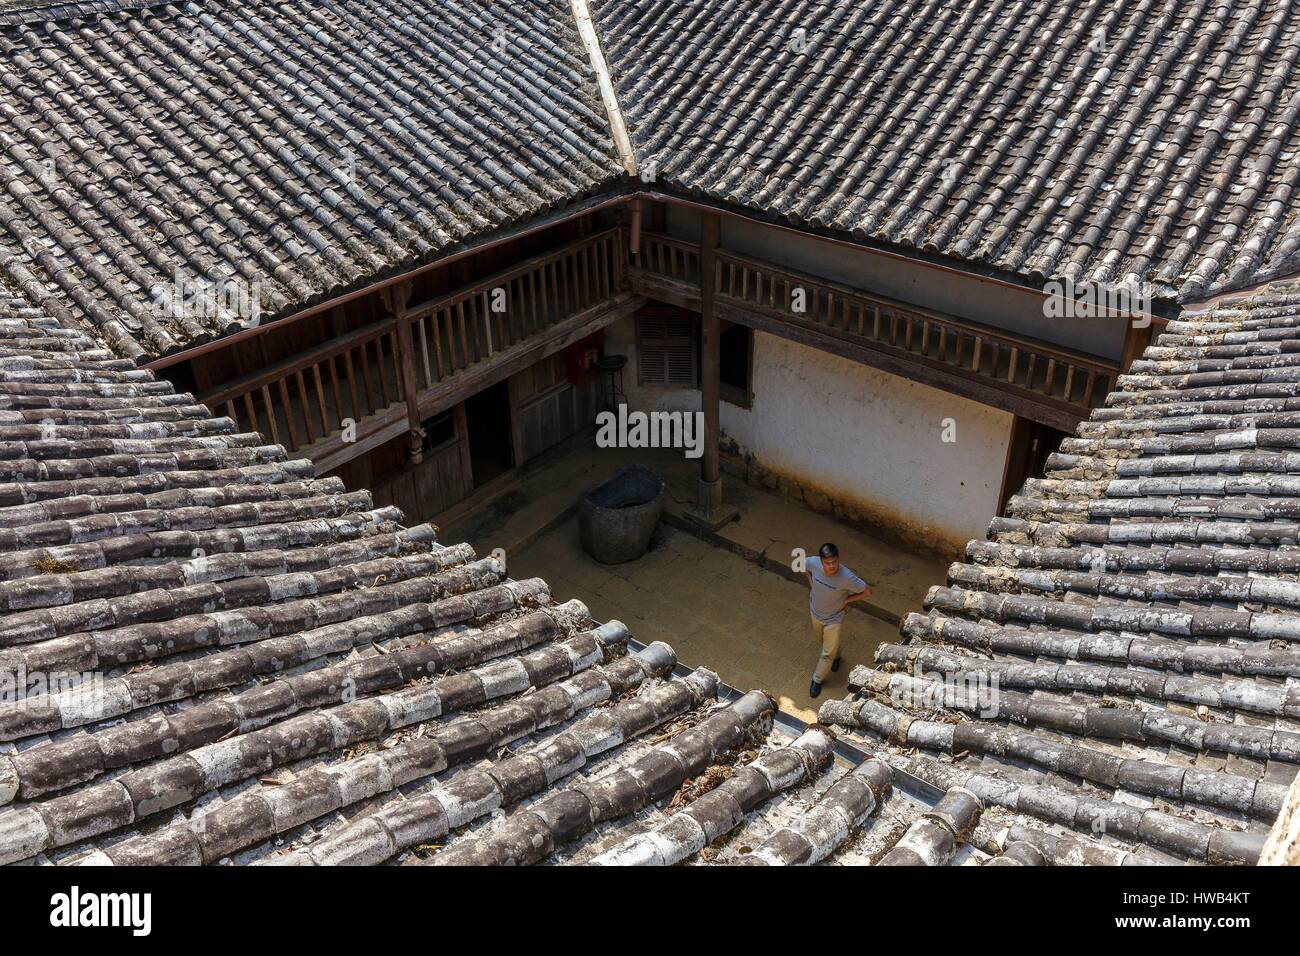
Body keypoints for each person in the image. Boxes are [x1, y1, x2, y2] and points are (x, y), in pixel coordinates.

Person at [803, 542, 871, 698]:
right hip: (815, 612)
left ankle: (817, 680)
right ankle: (837, 655)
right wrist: (811, 582)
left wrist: (847, 601)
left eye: (834, 562)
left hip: (834, 618)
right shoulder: (812, 562)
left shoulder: (847, 576)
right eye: (827, 563)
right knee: (823, 641)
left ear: (838, 559)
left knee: (826, 653)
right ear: (821, 562)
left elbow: (867, 592)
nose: (832, 566)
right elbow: (802, 565)